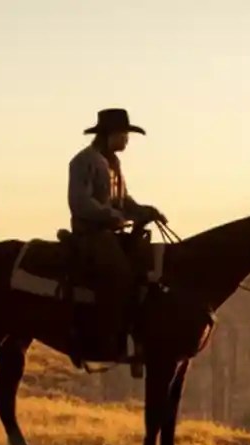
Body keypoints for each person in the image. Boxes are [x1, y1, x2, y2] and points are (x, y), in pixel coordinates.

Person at [67, 108, 166, 362]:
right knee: (119, 273)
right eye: (123, 134)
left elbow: (122, 201)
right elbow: (80, 202)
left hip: (109, 231)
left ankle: (134, 333)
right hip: (91, 233)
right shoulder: (84, 161)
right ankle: (101, 337)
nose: (126, 140)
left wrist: (144, 210)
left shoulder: (113, 163)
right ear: (109, 135)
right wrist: (110, 215)